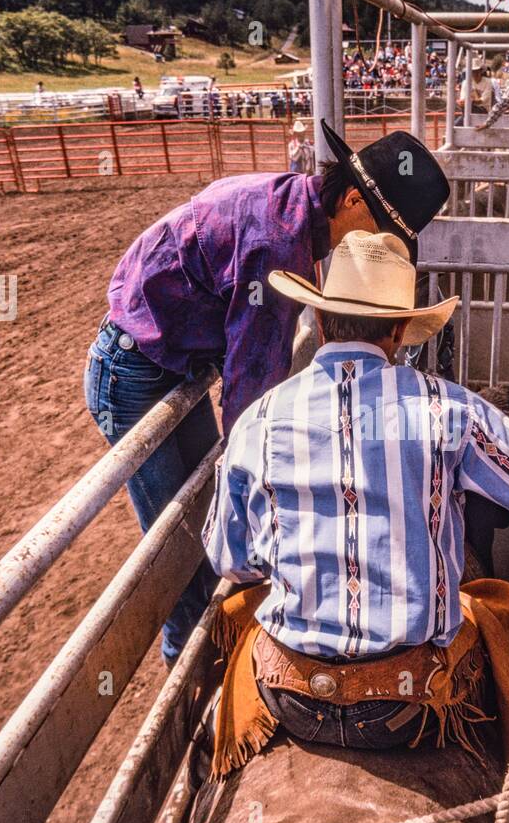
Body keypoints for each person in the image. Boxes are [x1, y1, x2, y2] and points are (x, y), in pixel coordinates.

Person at [203, 229, 509, 765]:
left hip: (291, 695)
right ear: (404, 331)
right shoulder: (446, 409)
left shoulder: (258, 420)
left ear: (318, 321)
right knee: (504, 610)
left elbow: (232, 560)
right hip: (401, 706)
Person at [84, 122, 449, 666]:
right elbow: (253, 387)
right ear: (352, 199)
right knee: (178, 535)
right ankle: (187, 666)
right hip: (136, 368)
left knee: (204, 509)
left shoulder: (289, 209)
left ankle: (202, 650)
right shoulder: (278, 247)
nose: (380, 248)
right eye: (382, 230)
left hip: (155, 353)